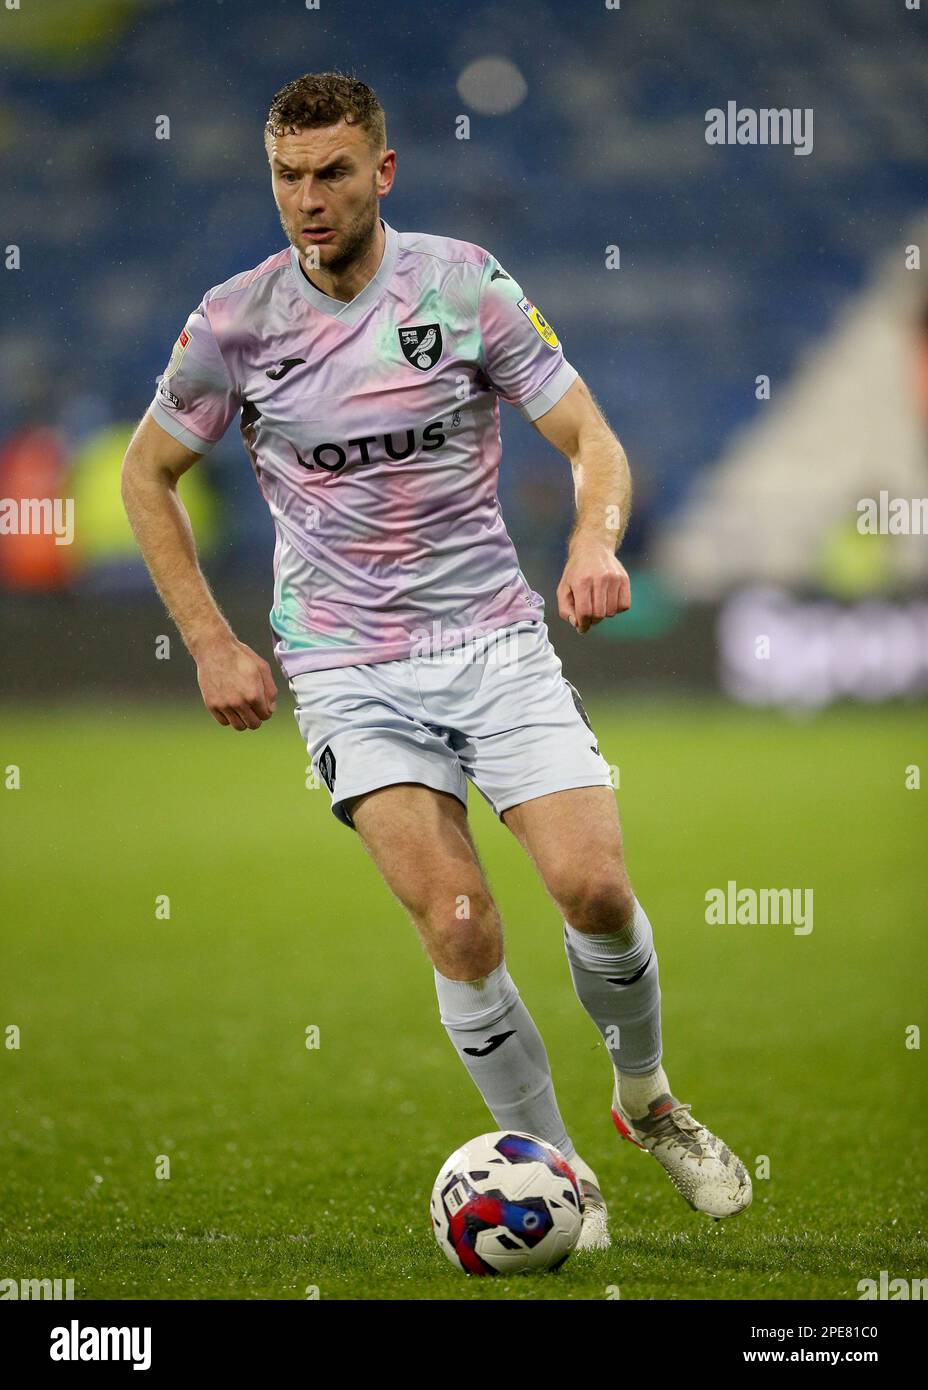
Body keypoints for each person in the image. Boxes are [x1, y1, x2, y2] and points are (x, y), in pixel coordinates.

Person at [121, 70, 751, 1251]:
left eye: (332, 173)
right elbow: (144, 474)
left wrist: (595, 539)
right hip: (349, 666)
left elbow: (589, 437)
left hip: (495, 642)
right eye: (287, 177)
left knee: (595, 890)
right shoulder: (234, 322)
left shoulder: (462, 286)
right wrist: (210, 638)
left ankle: (647, 1101)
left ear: (383, 172)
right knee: (461, 925)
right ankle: (557, 1170)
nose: (307, 199)